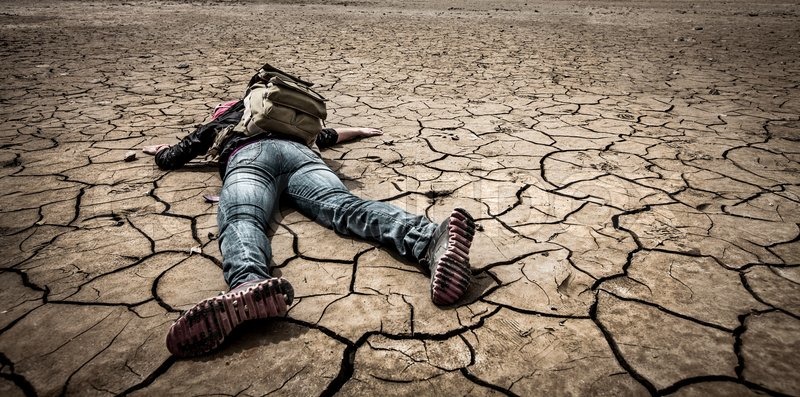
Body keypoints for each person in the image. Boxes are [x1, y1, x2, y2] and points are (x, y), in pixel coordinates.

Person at [143, 86, 475, 358]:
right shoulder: (288, 120)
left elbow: (176, 155)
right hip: (301, 156)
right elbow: (328, 135)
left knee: (243, 216)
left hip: (249, 157)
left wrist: (162, 151)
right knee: (344, 207)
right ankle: (431, 238)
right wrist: (360, 130)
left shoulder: (224, 120)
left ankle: (247, 282)